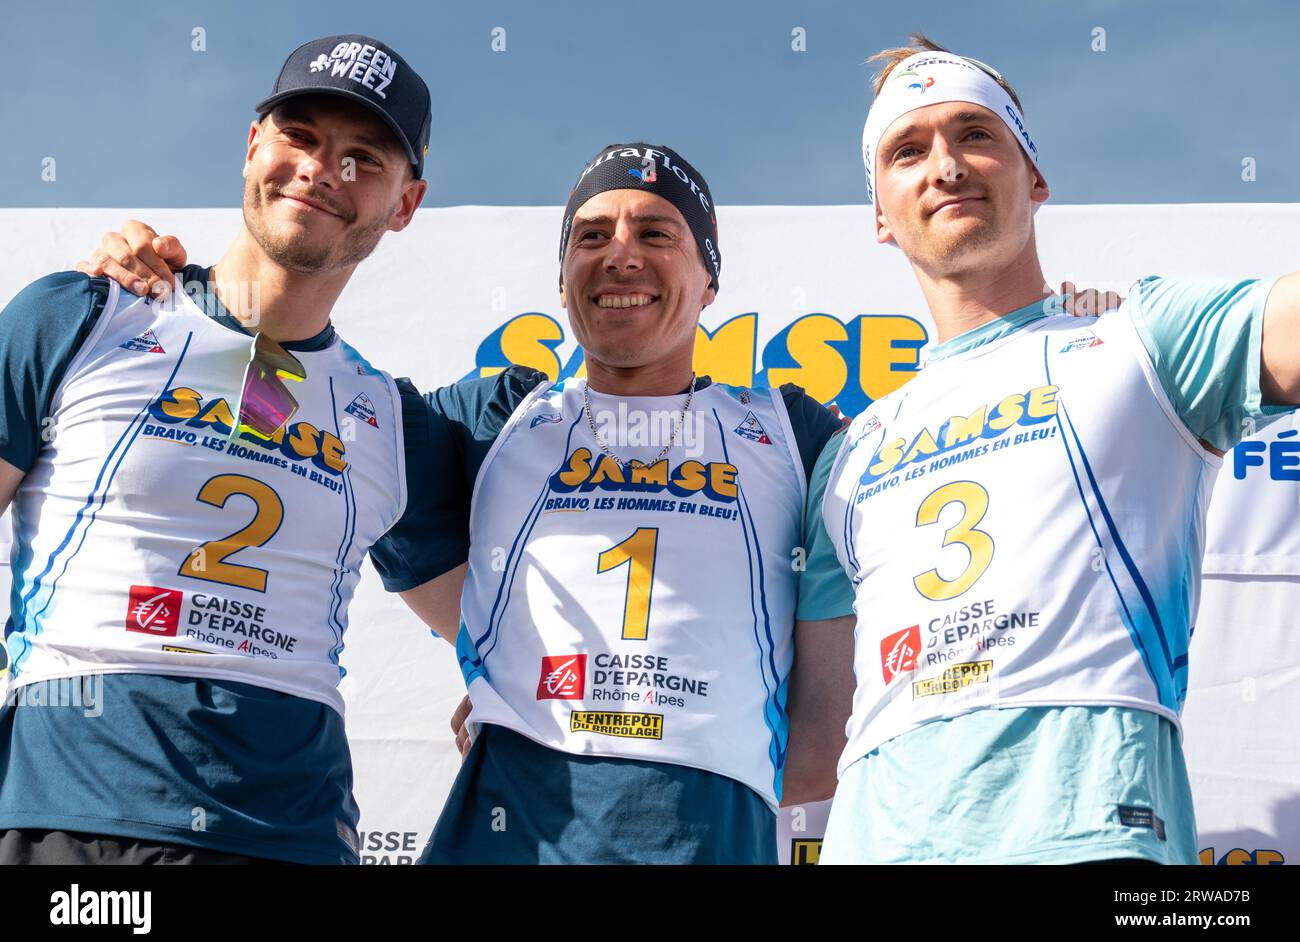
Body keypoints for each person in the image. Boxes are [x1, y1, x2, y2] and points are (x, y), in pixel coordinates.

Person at [86, 142, 859, 864]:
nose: (619, 252)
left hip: (710, 834)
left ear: (709, 279)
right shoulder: (489, 419)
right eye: (589, 238)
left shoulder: (795, 431)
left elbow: (833, 714)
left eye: (656, 232)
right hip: (505, 833)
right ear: (562, 284)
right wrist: (174, 296)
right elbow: (285, 391)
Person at [803, 34, 1300, 864]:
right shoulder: (848, 454)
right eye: (907, 150)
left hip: (1090, 841)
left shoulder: (1141, 340)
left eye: (975, 134)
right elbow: (815, 731)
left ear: (1034, 177)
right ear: (880, 219)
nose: (946, 166)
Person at [0, 34, 445, 864]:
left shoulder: (394, 419)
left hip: (297, 841)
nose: (321, 169)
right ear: (253, 146)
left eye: (363, 159)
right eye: (300, 136)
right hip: (75, 815)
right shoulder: (84, 317)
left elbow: (501, 628)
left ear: (406, 203)